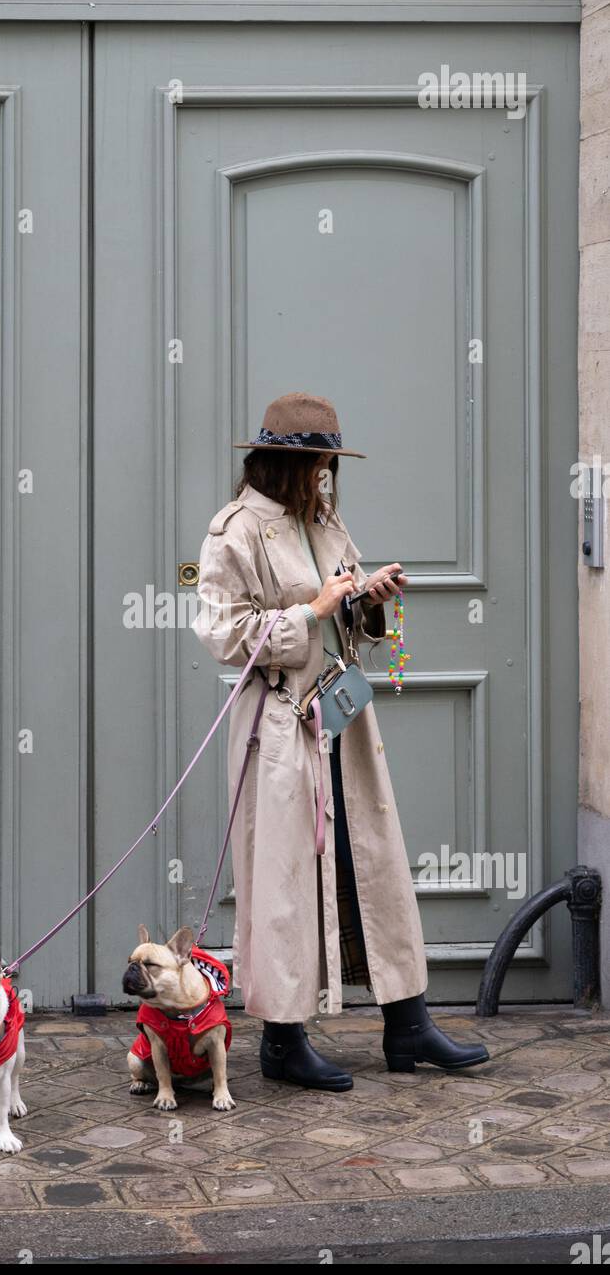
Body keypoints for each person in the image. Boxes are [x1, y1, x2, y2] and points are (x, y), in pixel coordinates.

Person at [191, 392, 489, 1090]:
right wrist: (311, 611)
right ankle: (283, 1041)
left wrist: (366, 600)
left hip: (341, 721)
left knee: (371, 862)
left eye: (329, 462)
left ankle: (406, 1024)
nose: (326, 475)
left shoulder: (323, 520)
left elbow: (345, 611)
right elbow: (220, 633)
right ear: (283, 462)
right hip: (278, 724)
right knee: (285, 880)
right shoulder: (232, 531)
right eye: (318, 462)